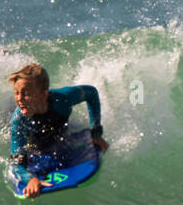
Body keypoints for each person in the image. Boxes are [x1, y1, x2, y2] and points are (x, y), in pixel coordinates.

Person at [7, 63, 108, 198]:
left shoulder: (63, 99)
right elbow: (16, 161)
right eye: (17, 93)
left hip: (59, 129)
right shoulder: (19, 120)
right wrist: (30, 178)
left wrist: (96, 132)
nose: (19, 99)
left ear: (44, 94)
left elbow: (91, 93)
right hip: (34, 140)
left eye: (26, 93)